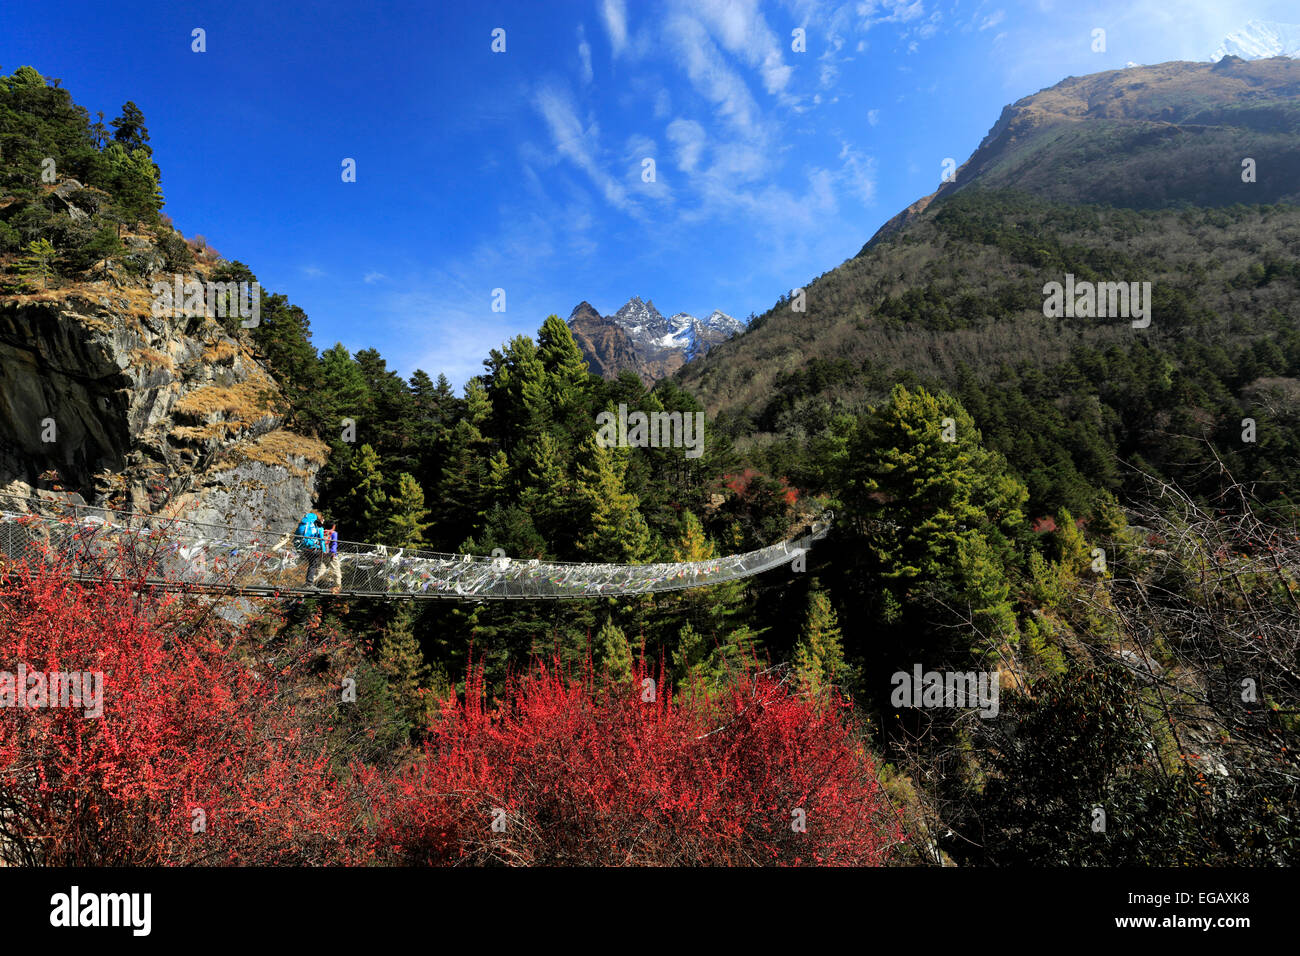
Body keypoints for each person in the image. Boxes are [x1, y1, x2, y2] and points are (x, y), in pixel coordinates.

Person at [295, 511, 324, 585]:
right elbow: (321, 540)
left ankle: (307, 582)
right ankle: (309, 583)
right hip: (313, 548)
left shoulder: (304, 524)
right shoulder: (318, 527)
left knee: (311, 564)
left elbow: (296, 534)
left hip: (304, 547)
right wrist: (323, 550)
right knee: (313, 565)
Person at [320, 523, 342, 591]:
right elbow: (334, 543)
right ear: (333, 527)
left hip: (322, 554)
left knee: (320, 571)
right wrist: (333, 552)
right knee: (336, 571)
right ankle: (337, 587)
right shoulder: (333, 533)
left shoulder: (322, 532)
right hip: (331, 555)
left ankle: (308, 583)